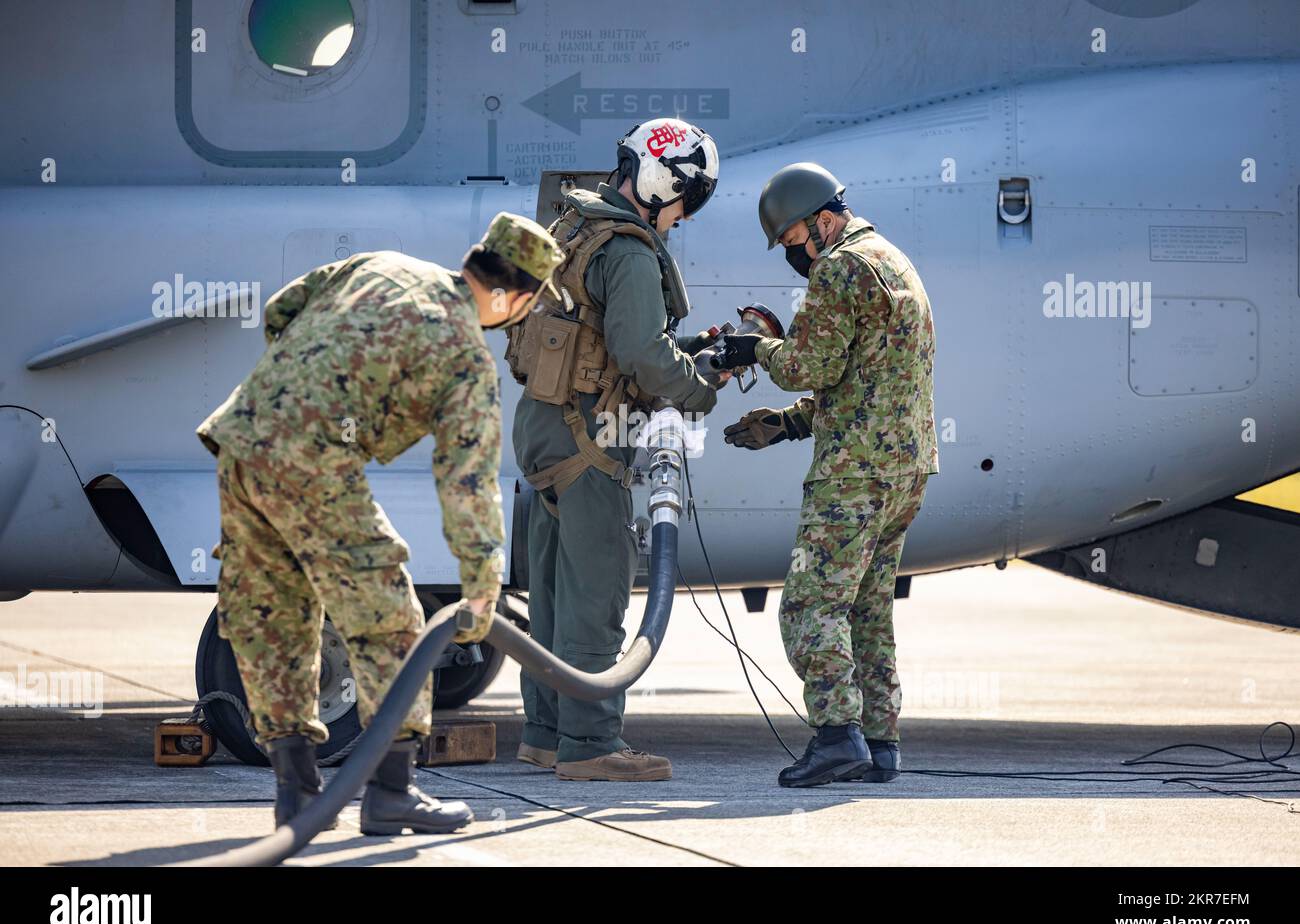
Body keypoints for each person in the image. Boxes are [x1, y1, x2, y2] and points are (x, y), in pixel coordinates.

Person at [196, 213, 564, 831]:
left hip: (244, 436)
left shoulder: (383, 265)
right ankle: (393, 791)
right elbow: (466, 483)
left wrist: (304, 388)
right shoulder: (465, 356)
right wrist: (481, 586)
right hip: (312, 457)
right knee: (391, 619)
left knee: (273, 615)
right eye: (525, 307)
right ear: (513, 296)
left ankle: (297, 794)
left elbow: (283, 311)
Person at [506, 118, 721, 781]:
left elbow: (599, 337)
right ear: (664, 184)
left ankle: (545, 733)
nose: (683, 217)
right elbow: (640, 354)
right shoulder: (628, 250)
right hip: (590, 438)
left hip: (543, 428)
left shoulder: (575, 223)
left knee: (550, 594)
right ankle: (592, 744)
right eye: (687, 200)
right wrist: (700, 386)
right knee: (595, 595)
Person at [716, 162, 939, 788]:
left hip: (855, 476)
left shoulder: (841, 266)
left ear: (822, 221)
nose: (795, 258)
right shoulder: (891, 260)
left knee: (811, 604)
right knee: (865, 608)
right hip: (902, 468)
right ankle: (879, 740)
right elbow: (863, 379)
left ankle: (837, 736)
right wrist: (787, 425)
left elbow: (803, 363)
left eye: (792, 244)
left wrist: (752, 349)